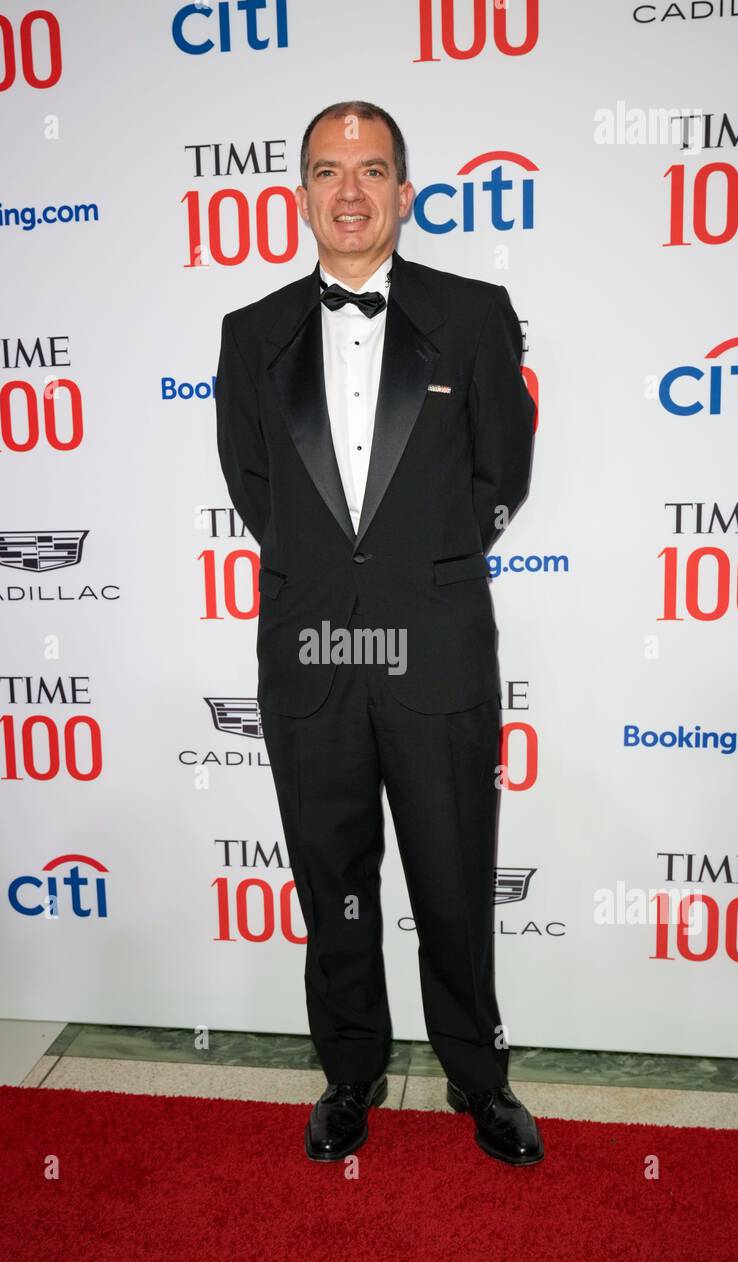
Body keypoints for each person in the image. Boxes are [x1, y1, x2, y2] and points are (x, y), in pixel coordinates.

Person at [215, 100, 543, 1167]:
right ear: (300, 193)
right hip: (309, 658)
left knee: (452, 873)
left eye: (370, 170)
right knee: (333, 876)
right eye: (324, 170)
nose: (347, 191)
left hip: (436, 652)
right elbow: (258, 490)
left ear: (404, 192)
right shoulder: (249, 334)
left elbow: (502, 475)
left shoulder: (473, 313)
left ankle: (476, 1077)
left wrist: (417, 573)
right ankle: (348, 1071)